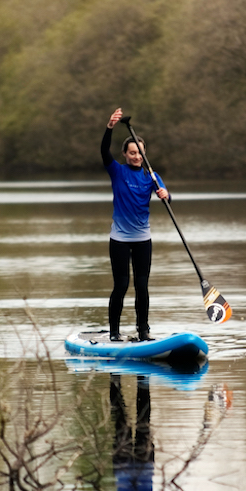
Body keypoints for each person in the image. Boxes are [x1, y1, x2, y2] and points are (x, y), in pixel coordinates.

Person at [102, 107, 170, 341]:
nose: (136, 156)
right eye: (132, 153)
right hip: (119, 239)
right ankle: (114, 333)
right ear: (125, 154)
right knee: (121, 285)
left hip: (143, 239)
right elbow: (103, 151)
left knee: (142, 286)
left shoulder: (151, 175)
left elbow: (167, 196)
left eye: (139, 152)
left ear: (144, 154)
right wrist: (110, 127)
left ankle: (143, 330)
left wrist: (165, 194)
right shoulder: (117, 172)